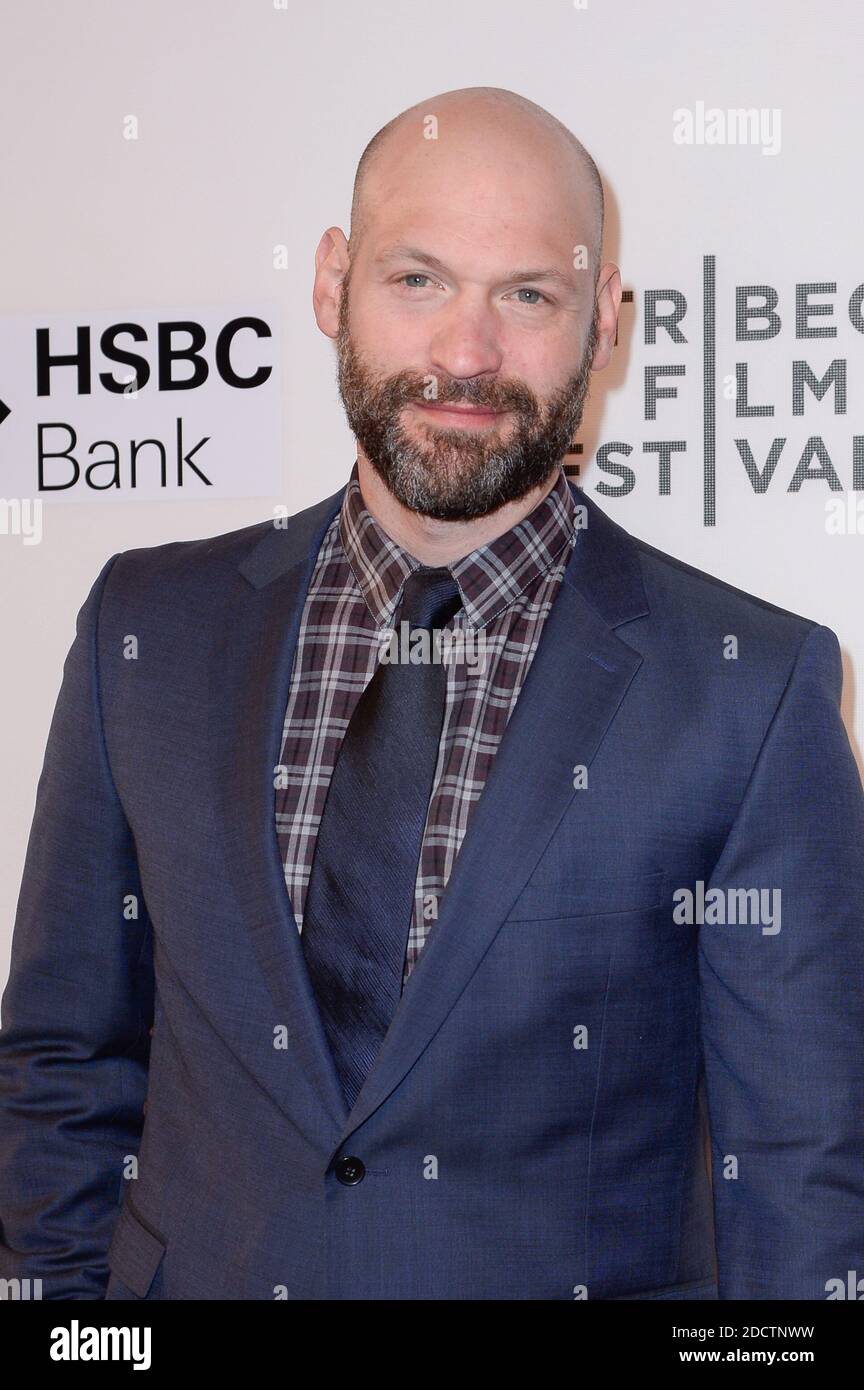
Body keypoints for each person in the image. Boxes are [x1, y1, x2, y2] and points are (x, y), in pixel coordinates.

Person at [1, 86, 862, 1302]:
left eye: (528, 293)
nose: (467, 354)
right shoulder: (146, 632)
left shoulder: (749, 691)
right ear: (330, 282)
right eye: (418, 280)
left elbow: (801, 1167)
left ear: (605, 322)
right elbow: (64, 1066)